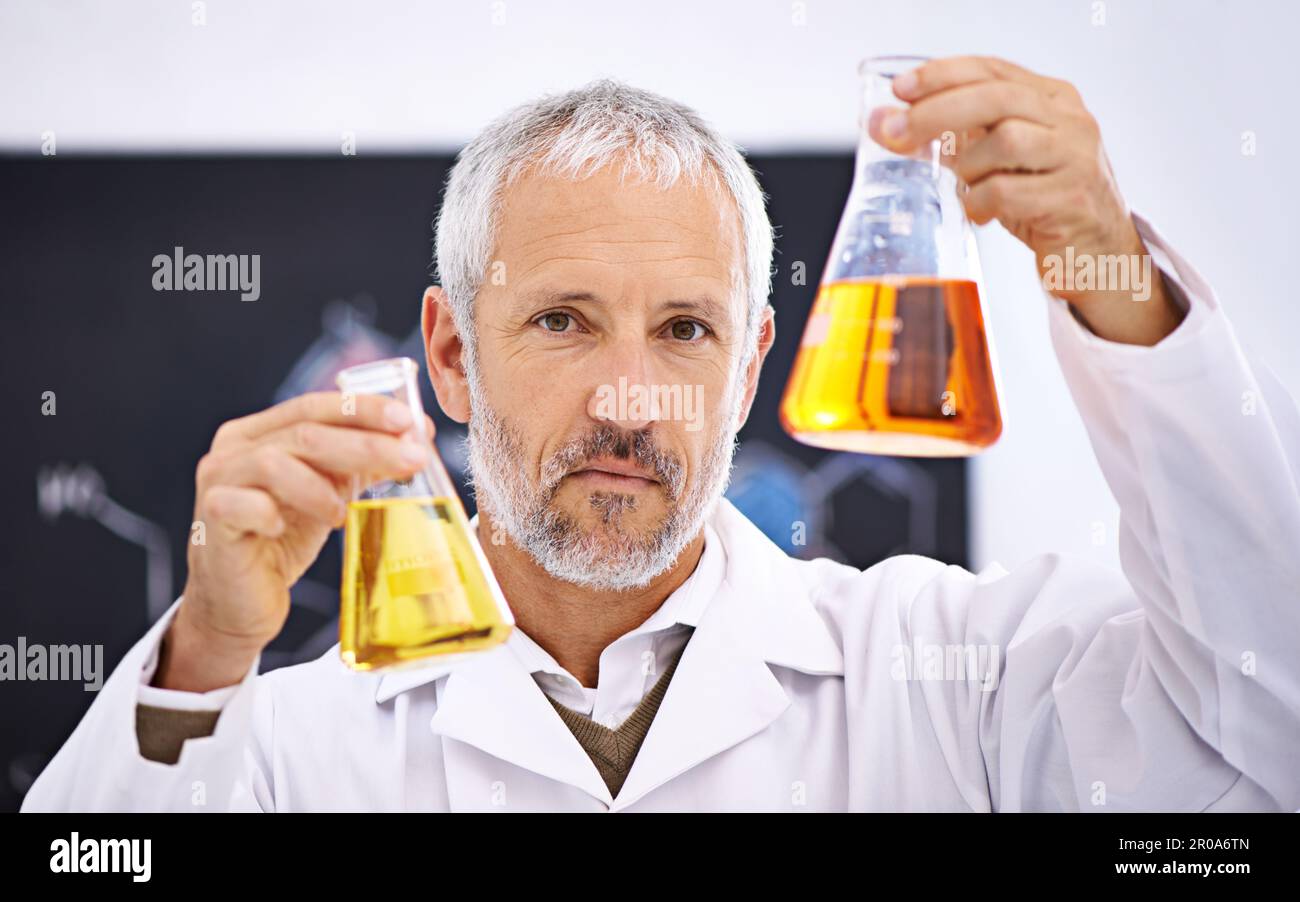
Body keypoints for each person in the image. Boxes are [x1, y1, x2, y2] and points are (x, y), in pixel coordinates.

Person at [22, 58, 1300, 812]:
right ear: (452, 355)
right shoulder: (292, 743)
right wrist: (201, 658)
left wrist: (1106, 265)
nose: (629, 401)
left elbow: (1266, 723)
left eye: (685, 330)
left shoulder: (952, 677)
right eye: (566, 321)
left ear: (749, 368)